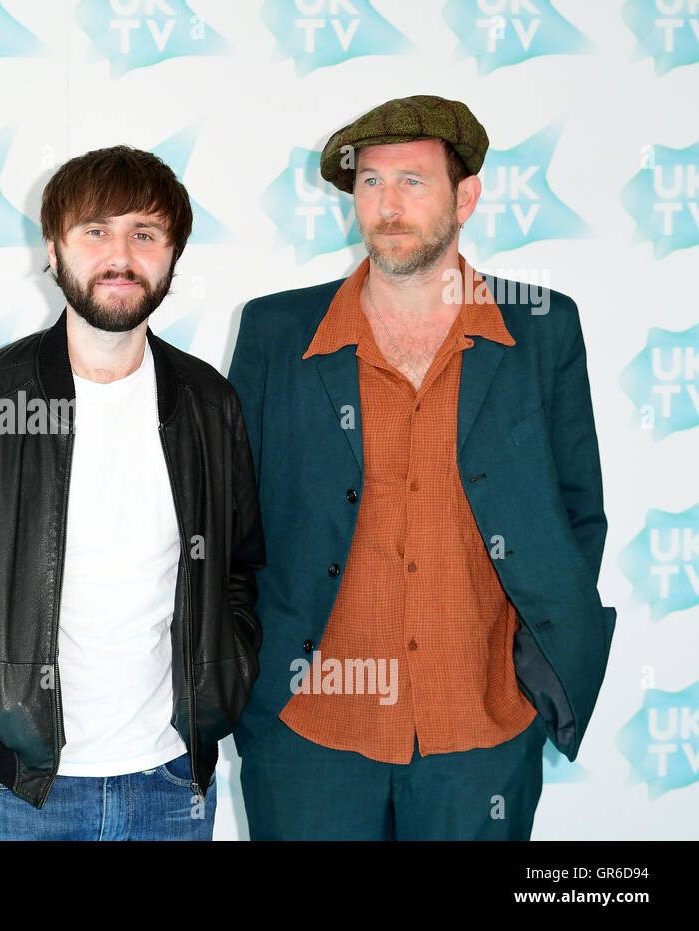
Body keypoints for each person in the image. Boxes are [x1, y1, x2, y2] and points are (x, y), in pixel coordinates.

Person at [228, 95, 615, 840]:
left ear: (466, 196)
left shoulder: (541, 328)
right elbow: (232, 522)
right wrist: (250, 687)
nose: (388, 204)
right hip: (309, 732)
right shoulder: (278, 332)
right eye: (370, 183)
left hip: (482, 732)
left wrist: (526, 681)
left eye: (412, 181)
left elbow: (576, 514)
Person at [0, 145, 266, 841]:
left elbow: (239, 566)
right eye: (95, 232)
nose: (120, 256)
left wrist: (222, 676)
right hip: (15, 787)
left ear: (172, 256)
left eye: (144, 234)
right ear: (53, 253)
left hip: (171, 779)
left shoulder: (209, 403)